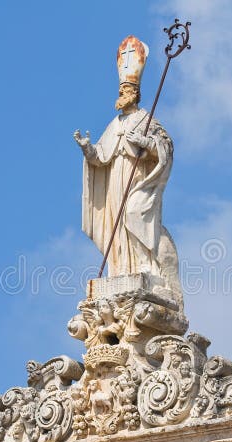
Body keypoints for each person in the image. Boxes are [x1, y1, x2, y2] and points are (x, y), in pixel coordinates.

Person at [74, 36, 183, 307]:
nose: (121, 95)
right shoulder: (116, 123)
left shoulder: (145, 120)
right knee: (116, 222)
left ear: (135, 94)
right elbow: (101, 156)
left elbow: (166, 148)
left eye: (125, 90)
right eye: (120, 89)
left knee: (134, 214)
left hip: (137, 180)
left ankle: (145, 264)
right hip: (115, 181)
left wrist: (146, 143)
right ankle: (121, 268)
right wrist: (88, 149)